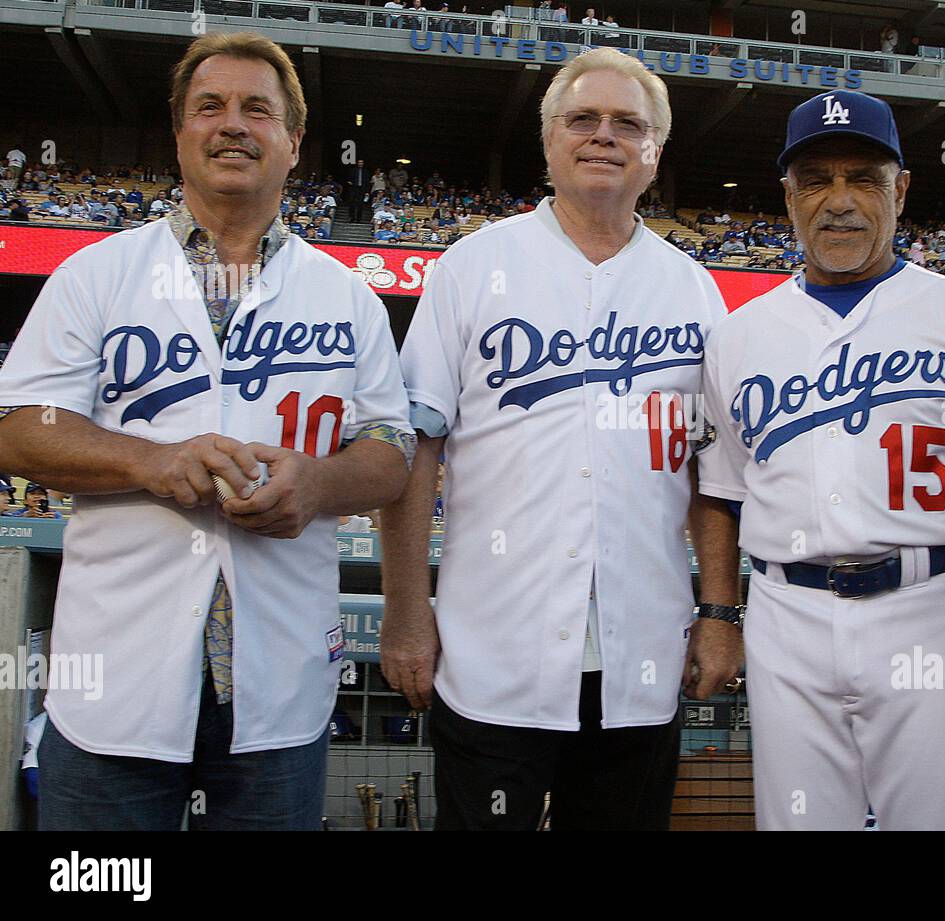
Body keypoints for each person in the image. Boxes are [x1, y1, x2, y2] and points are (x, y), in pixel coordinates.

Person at [0, 32, 413, 831]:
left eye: (258, 109)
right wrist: (153, 462)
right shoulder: (96, 273)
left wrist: (320, 482)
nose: (233, 124)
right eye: (210, 107)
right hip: (112, 689)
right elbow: (20, 429)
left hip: (279, 685)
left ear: (293, 143)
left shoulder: (348, 296)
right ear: (181, 133)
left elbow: (392, 450)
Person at [380, 47, 740, 831]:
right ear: (548, 141)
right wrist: (406, 608)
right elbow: (417, 449)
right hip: (492, 647)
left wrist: (719, 610)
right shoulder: (473, 266)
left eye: (628, 124)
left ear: (655, 151)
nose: (603, 136)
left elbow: (715, 469)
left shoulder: (694, 289)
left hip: (642, 650)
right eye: (583, 118)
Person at [696, 90, 945, 831]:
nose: (838, 201)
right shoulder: (738, 337)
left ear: (900, 191)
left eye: (863, 178)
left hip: (932, 607)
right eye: (816, 180)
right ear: (789, 196)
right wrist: (718, 612)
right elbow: (722, 491)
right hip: (786, 615)